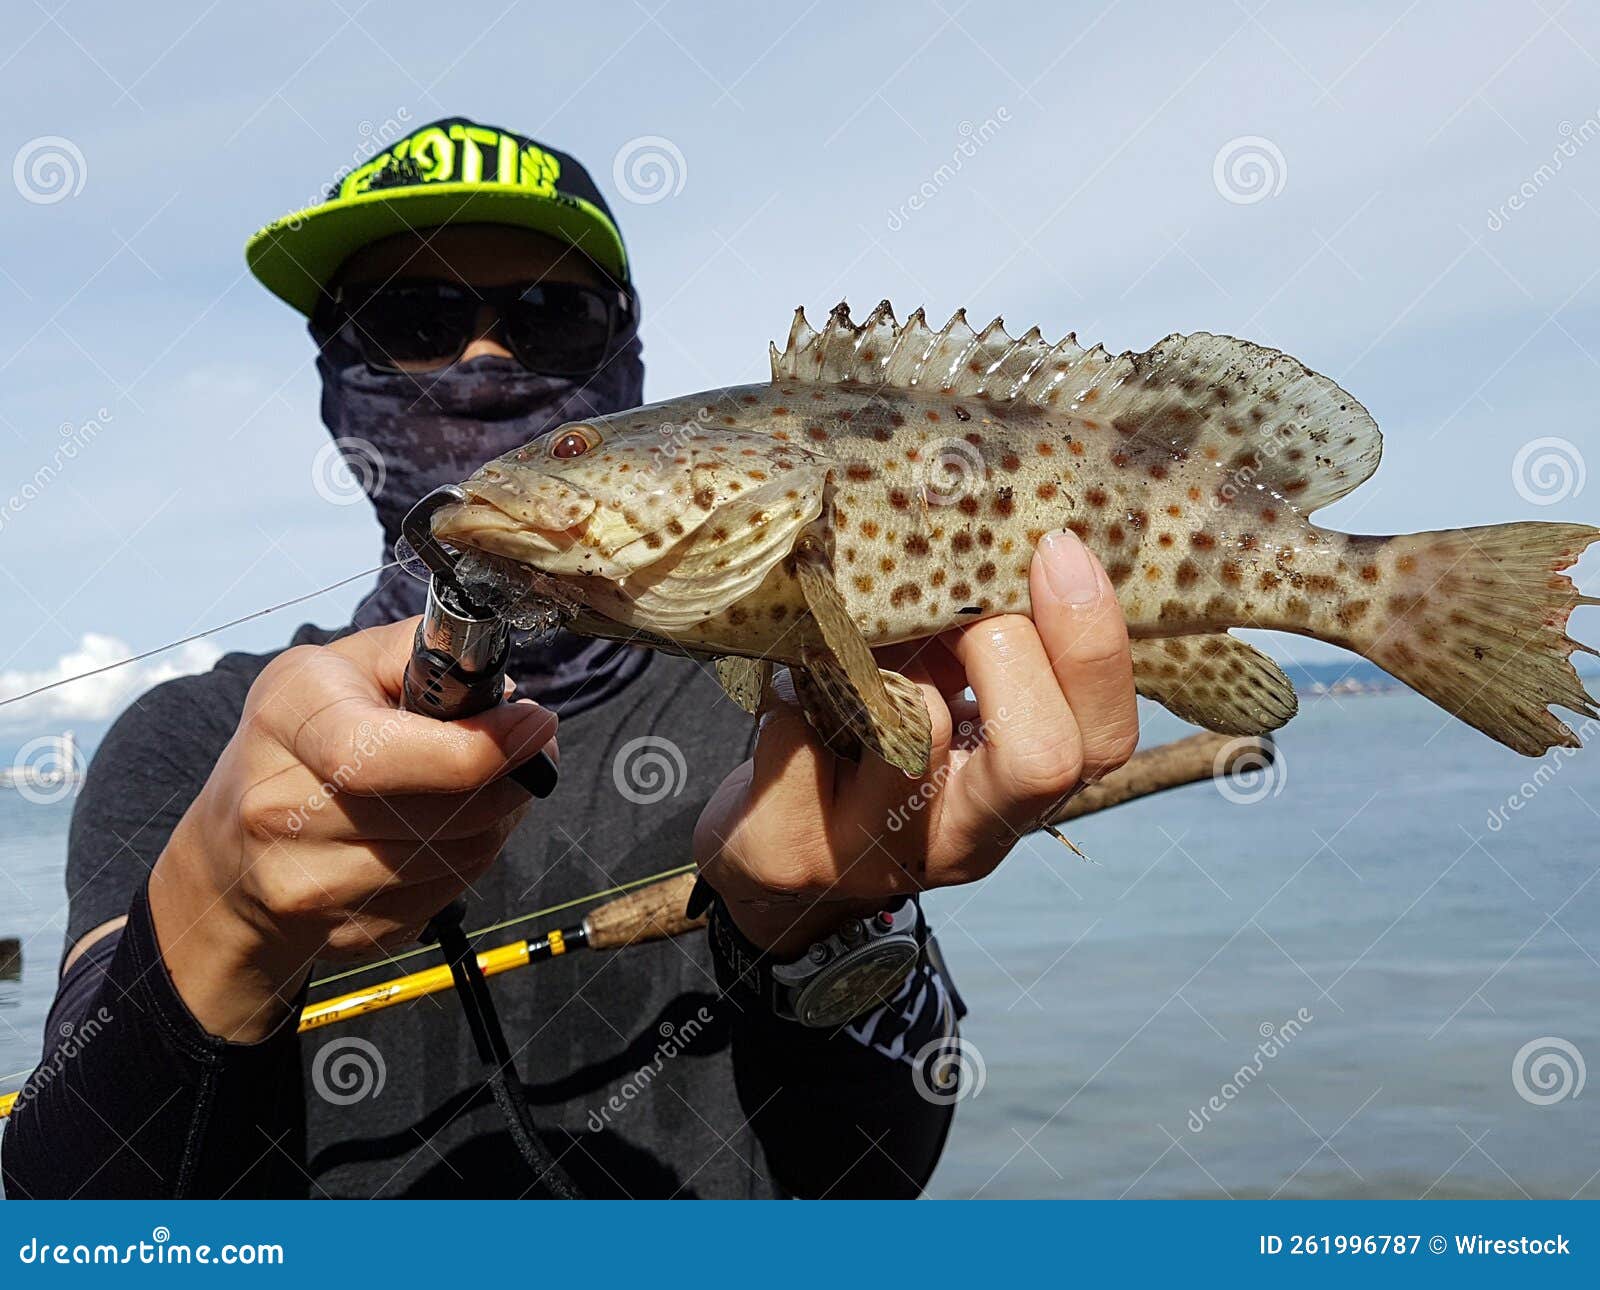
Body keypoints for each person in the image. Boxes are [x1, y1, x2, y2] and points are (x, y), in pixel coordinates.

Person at [0, 117, 1139, 1199]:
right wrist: (221, 929)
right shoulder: (190, 745)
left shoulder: (791, 702)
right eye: (412, 316)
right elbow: (77, 1225)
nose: (484, 362)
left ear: (630, 366)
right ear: (336, 380)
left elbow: (875, 1175)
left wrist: (828, 934)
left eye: (548, 316)